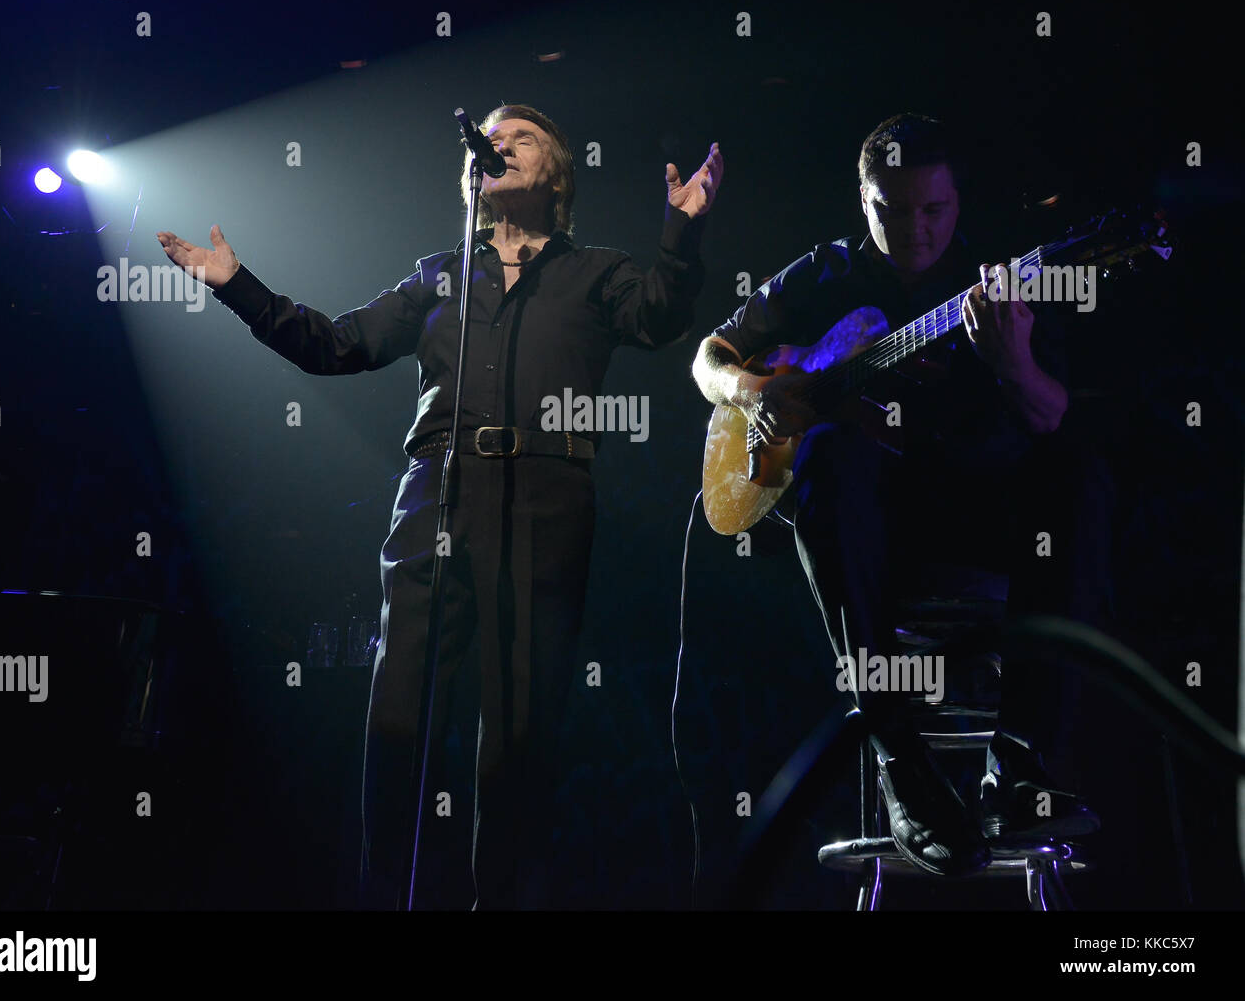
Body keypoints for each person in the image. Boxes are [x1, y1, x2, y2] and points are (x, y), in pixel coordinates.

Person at [159, 104, 723, 907]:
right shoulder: (438, 275)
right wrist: (236, 286)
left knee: (520, 731)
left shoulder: (596, 270)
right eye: (489, 139)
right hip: (436, 492)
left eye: (519, 137)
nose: (498, 145)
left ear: (557, 170)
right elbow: (336, 345)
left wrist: (682, 232)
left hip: (548, 497)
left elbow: (663, 312)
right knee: (399, 715)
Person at [691, 113, 1109, 876]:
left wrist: (1012, 360)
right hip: (863, 533)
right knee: (827, 453)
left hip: (972, 519)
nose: (914, 230)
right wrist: (753, 394)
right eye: (890, 210)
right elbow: (707, 357)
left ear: (958, 201)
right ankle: (899, 761)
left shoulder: (993, 284)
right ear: (862, 199)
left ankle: (1019, 767)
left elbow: (1052, 416)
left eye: (933, 211)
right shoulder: (827, 274)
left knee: (1075, 474)